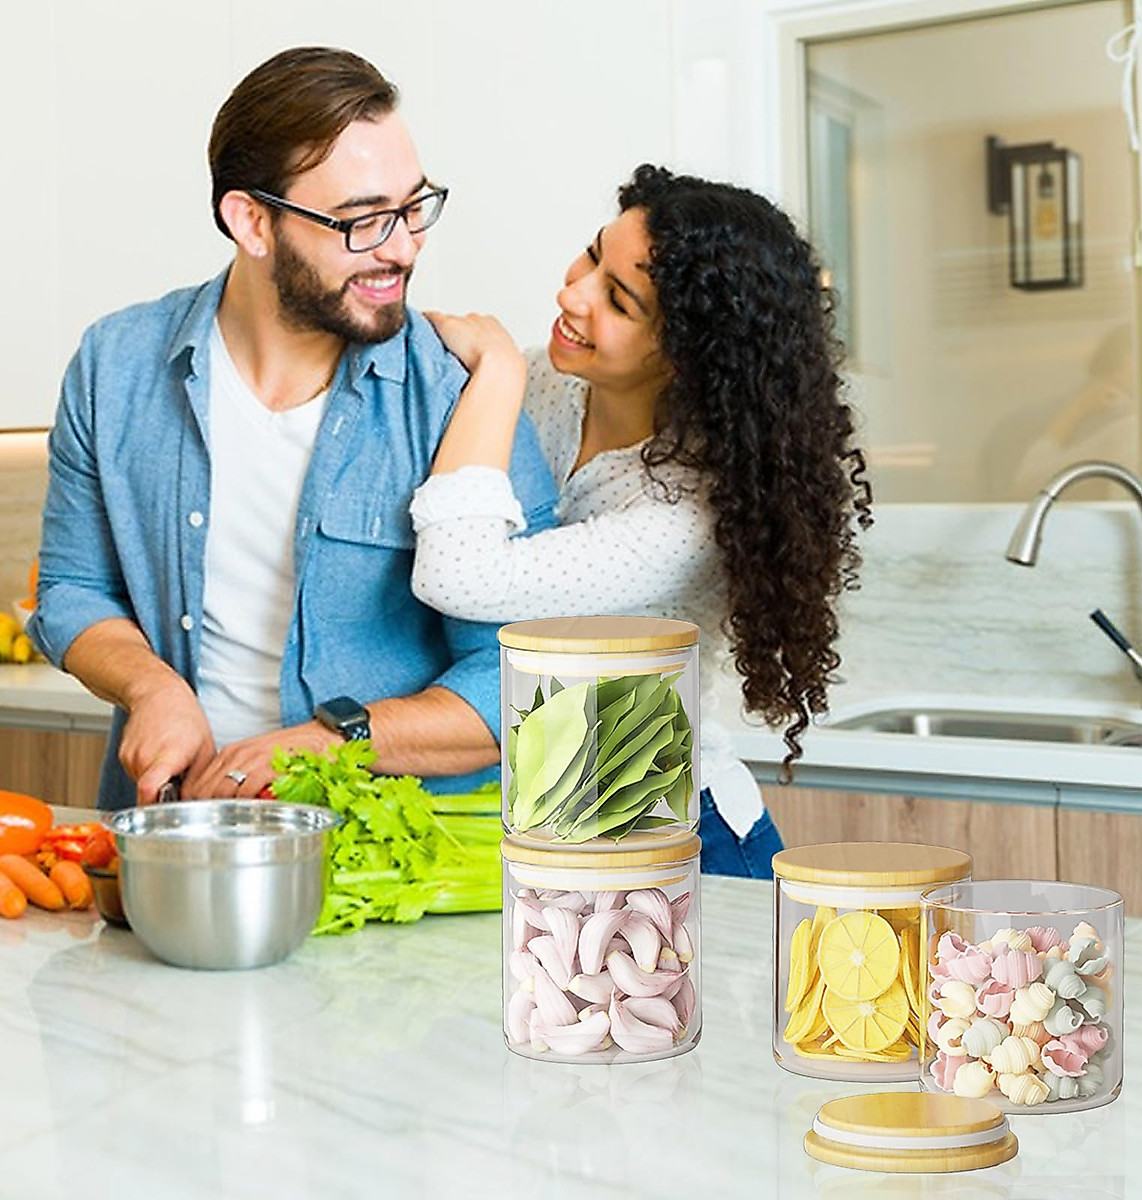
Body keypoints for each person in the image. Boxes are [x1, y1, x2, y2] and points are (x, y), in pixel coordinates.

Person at [30, 47, 556, 810]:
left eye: (413, 208)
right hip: (179, 833)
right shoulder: (115, 366)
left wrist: (328, 741)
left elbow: (528, 680)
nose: (403, 247)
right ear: (251, 220)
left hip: (391, 862)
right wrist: (151, 687)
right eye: (364, 220)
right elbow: (75, 588)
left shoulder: (455, 397)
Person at [409, 164, 872, 877]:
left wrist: (493, 373)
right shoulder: (548, 386)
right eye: (593, 255)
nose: (572, 293)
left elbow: (457, 575)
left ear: (689, 357)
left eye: (619, 301)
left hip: (690, 843)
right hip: (569, 833)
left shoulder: (688, 516)